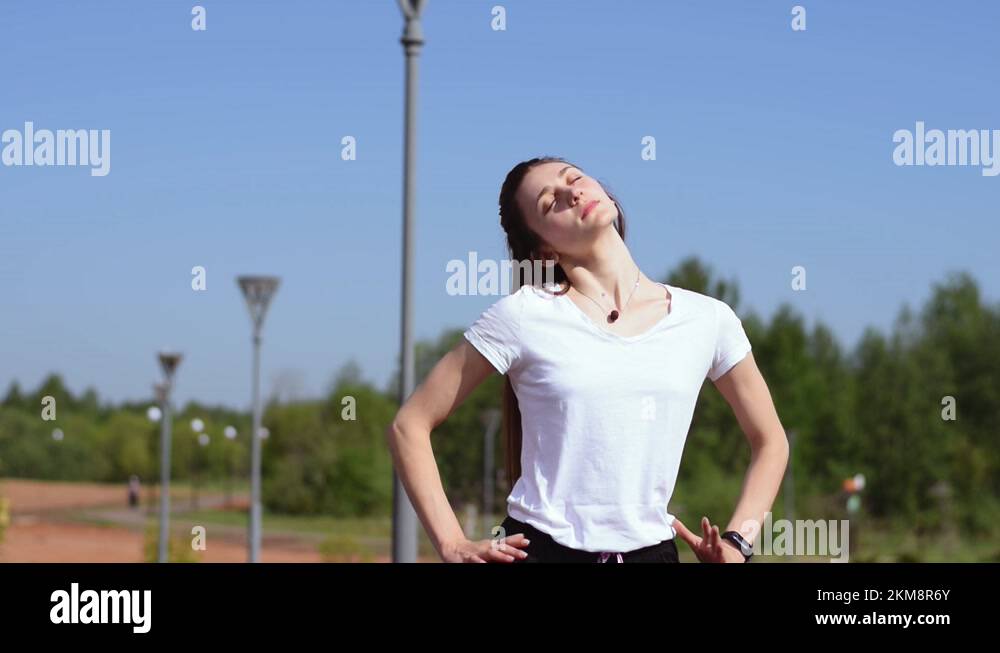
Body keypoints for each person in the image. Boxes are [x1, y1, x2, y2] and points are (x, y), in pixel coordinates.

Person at [386, 156, 789, 563]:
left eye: (574, 178)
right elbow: (409, 425)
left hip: (652, 555)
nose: (572, 193)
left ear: (603, 190)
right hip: (539, 552)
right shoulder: (522, 315)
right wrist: (452, 542)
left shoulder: (708, 319)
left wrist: (739, 542)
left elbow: (771, 441)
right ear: (543, 247)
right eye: (550, 202)